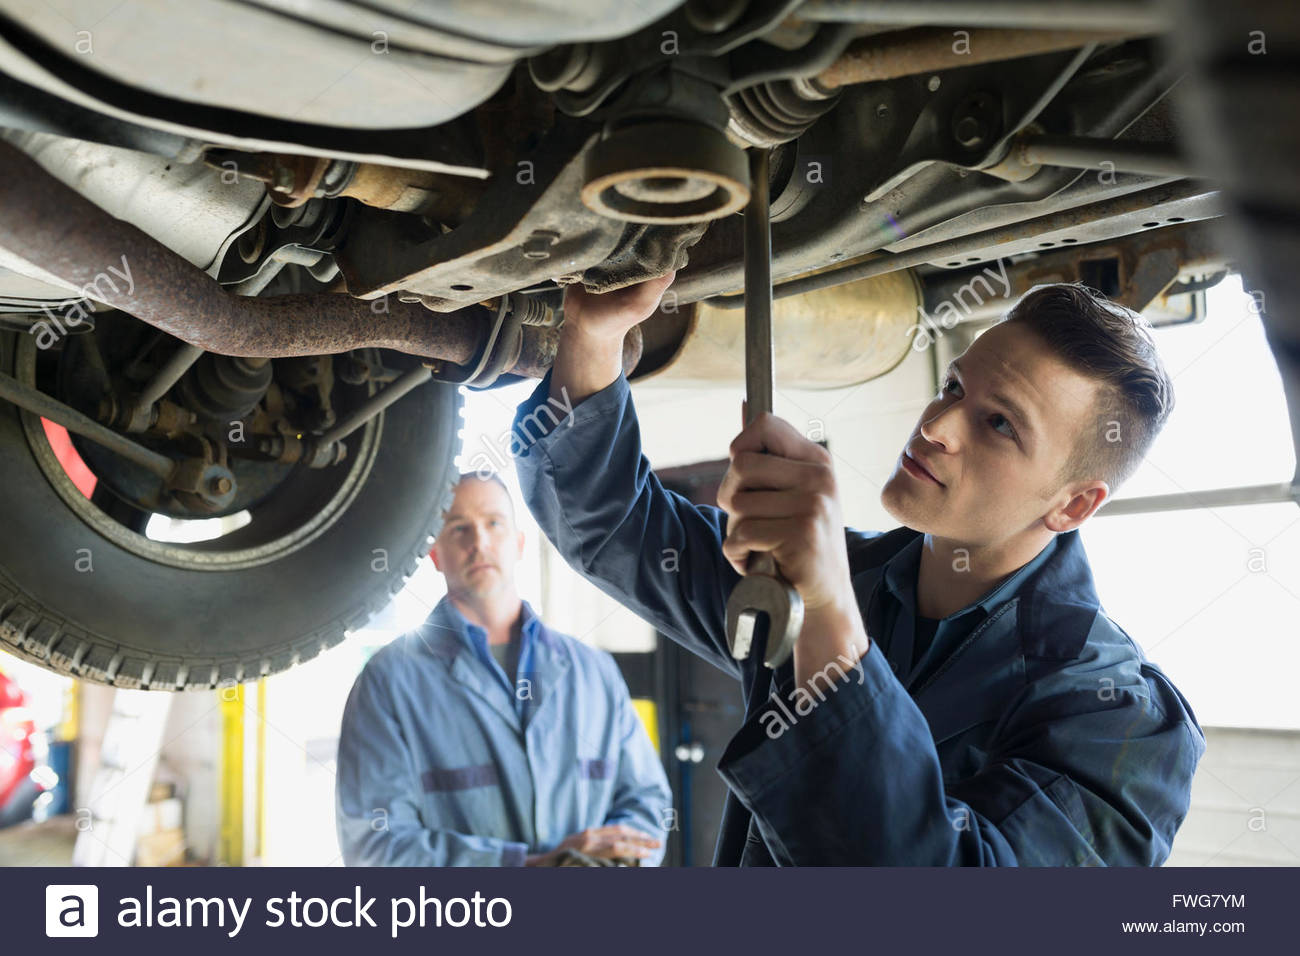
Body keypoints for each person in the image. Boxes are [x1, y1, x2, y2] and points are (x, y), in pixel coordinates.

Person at [510, 274, 1206, 866]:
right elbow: (614, 526)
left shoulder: (1127, 723)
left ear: (1073, 504)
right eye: (955, 386)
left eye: (999, 424)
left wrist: (828, 617)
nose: (937, 425)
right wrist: (594, 336)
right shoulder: (840, 574)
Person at [336, 471, 672, 866]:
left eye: (494, 523)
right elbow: (376, 847)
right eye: (458, 528)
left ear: (519, 543)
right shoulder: (388, 682)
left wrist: (598, 866)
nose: (479, 542)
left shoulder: (594, 672)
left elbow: (647, 804)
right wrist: (533, 868)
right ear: (434, 554)